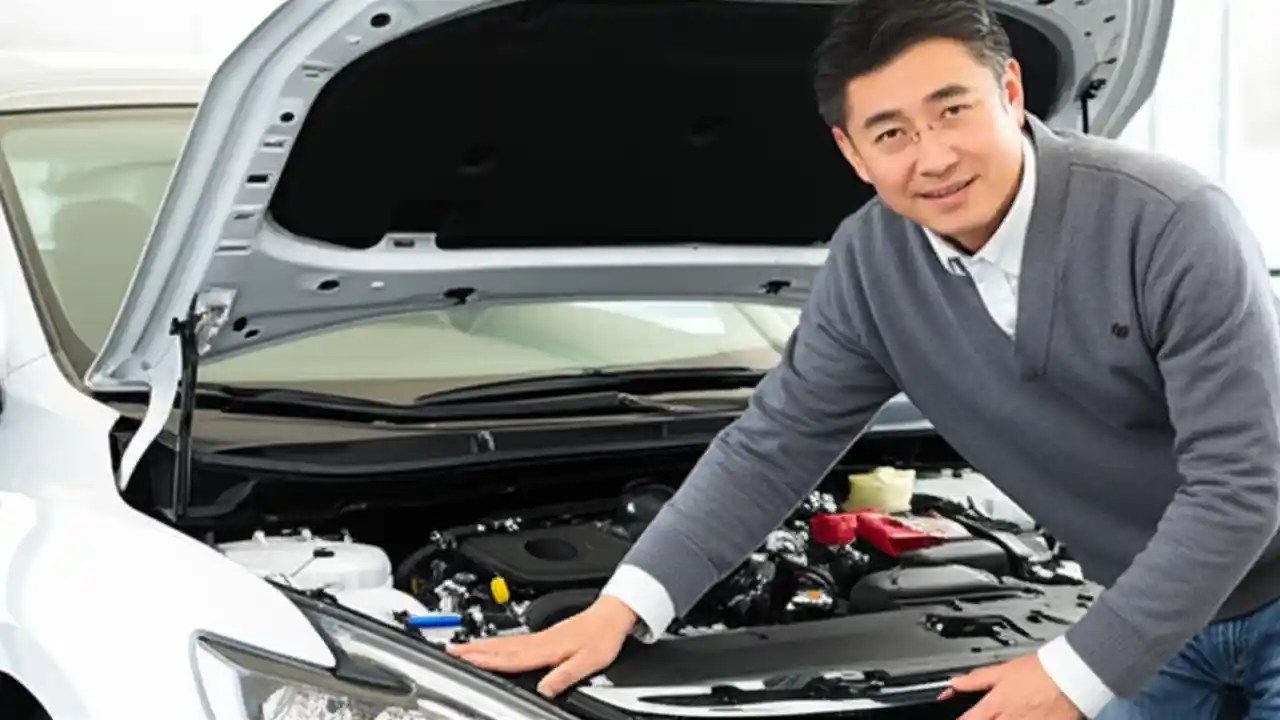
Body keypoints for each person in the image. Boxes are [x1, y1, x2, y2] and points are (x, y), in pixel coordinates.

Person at [446, 1, 1280, 717]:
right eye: (893, 132)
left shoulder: (1170, 222)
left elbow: (1244, 484)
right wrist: (621, 608)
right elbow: (774, 445)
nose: (934, 157)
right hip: (1160, 615)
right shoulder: (872, 263)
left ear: (1012, 91)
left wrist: (1073, 672)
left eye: (953, 110)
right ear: (853, 154)